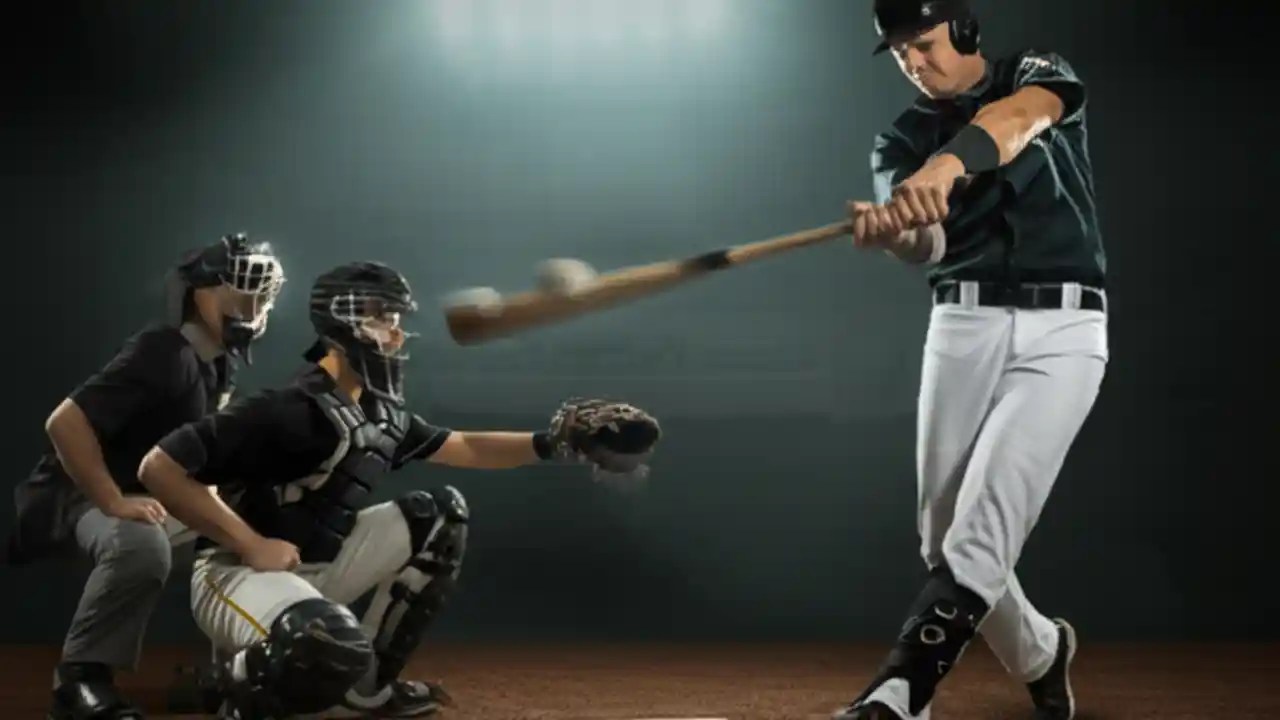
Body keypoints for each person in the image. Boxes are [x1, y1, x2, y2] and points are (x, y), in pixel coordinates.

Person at [136, 260, 662, 719]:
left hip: (311, 571)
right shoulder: (284, 410)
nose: (395, 332)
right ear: (343, 323)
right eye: (383, 318)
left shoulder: (377, 413)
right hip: (239, 574)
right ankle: (226, 682)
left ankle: (366, 692)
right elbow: (159, 467)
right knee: (326, 648)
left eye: (396, 319)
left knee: (440, 515)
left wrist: (555, 444)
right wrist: (250, 544)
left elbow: (466, 447)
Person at [834, 1, 1108, 718]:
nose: (914, 64)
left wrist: (950, 162)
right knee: (941, 535)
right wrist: (897, 230)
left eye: (923, 44)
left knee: (985, 521)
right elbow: (926, 249)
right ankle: (1044, 651)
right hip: (963, 320)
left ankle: (901, 691)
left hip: (1066, 329)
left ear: (963, 30)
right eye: (899, 54)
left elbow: (1021, 121)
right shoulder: (899, 138)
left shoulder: (1037, 74)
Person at [4, 234, 285, 719]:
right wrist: (113, 501)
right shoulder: (163, 351)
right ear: (201, 293)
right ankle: (79, 681)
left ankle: (233, 674)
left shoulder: (215, 366)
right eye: (243, 289)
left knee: (258, 517)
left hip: (153, 497)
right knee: (141, 542)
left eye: (262, 294)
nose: (255, 305)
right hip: (81, 498)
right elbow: (64, 424)